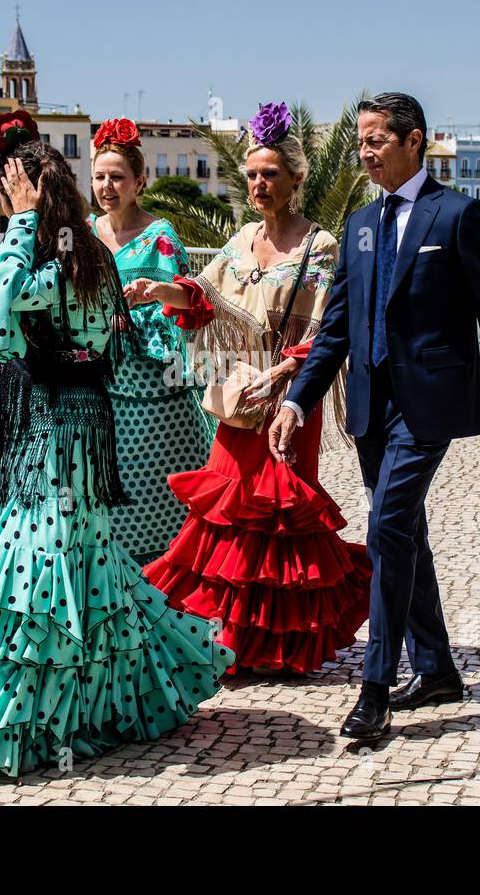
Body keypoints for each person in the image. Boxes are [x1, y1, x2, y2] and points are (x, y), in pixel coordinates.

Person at [0, 112, 233, 776]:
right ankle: (65, 708)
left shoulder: (74, 260)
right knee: (66, 569)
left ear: (37, 195)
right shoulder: (65, 252)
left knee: (46, 571)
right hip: (38, 429)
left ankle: (35, 721)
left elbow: (1, 317)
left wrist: (17, 224)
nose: (7, 200)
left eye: (14, 191)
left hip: (65, 437)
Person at [268, 92, 480, 742]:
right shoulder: (358, 224)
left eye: (376, 139)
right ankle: (438, 669)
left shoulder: (460, 216)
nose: (363, 151)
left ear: (415, 141)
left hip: (430, 404)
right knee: (406, 532)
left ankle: (375, 688)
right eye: (359, 140)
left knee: (386, 527)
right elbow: (334, 329)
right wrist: (299, 399)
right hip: (369, 407)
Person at [127, 102, 371, 677]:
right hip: (240, 399)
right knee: (227, 519)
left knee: (283, 521)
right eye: (253, 174)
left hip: (288, 399)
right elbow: (203, 295)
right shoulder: (240, 240)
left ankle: (280, 646)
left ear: (296, 179)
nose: (260, 184)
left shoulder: (321, 246)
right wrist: (159, 291)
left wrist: (284, 376)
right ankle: (230, 639)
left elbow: (322, 331)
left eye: (271, 174)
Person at [88, 118, 214, 566]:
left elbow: (183, 314)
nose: (107, 186)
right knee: (106, 497)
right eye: (100, 176)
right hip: (98, 386)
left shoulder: (161, 237)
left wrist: (131, 325)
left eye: (118, 176)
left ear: (140, 181)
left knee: (152, 497)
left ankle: (162, 595)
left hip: (153, 394)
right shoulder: (84, 234)